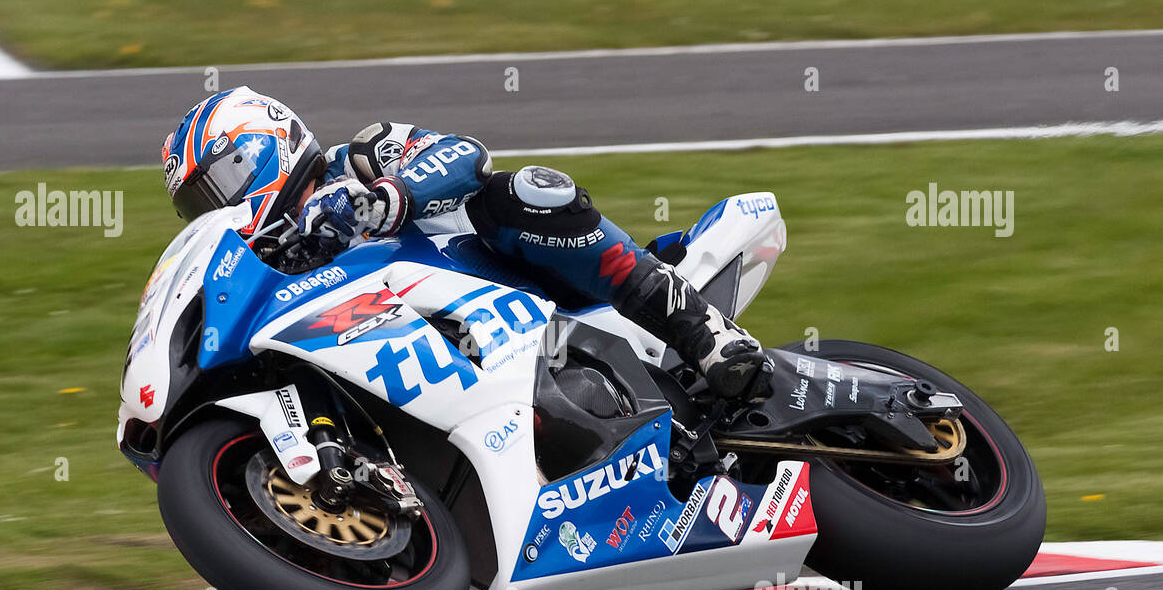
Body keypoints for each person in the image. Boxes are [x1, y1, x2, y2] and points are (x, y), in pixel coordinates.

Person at [161, 86, 768, 399]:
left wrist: (387, 196)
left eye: (221, 183)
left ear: (267, 142)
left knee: (526, 193)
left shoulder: (361, 157)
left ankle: (702, 331)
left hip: (534, 296)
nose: (217, 207)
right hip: (449, 359)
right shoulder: (278, 263)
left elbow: (467, 155)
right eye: (198, 204)